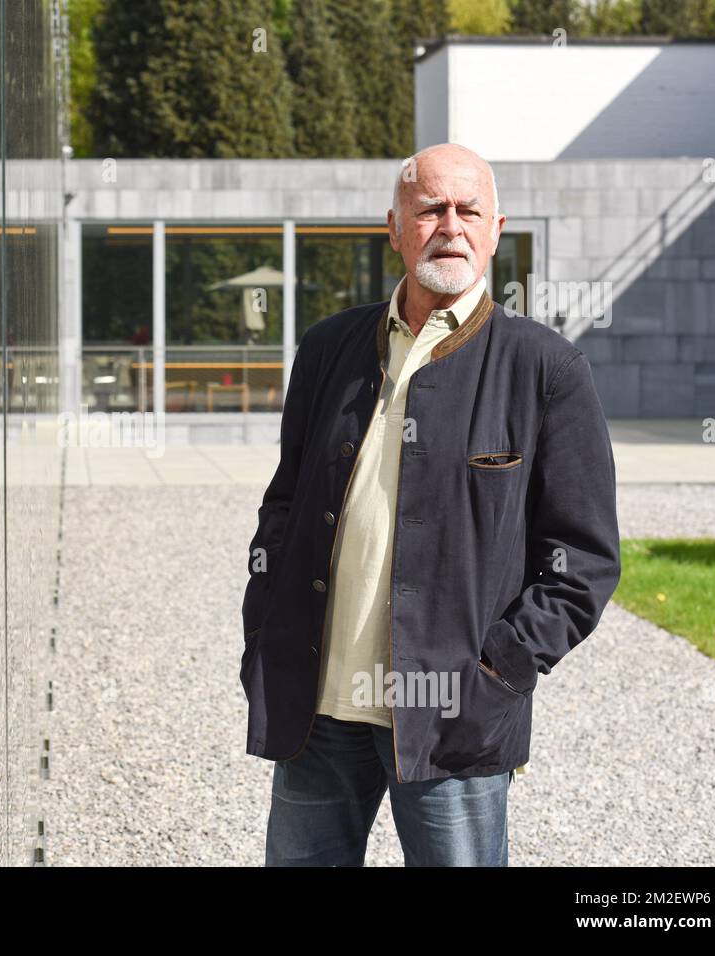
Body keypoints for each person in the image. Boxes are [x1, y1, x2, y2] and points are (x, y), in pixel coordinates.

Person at [239, 142, 620, 866]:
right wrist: (264, 624)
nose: (451, 225)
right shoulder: (328, 350)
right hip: (319, 707)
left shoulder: (546, 369)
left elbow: (583, 564)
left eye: (468, 210)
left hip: (454, 713)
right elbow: (284, 507)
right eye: (431, 209)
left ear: (495, 228)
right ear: (395, 227)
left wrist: (500, 671)